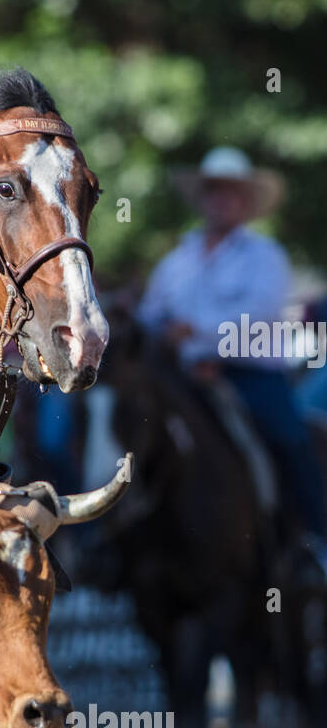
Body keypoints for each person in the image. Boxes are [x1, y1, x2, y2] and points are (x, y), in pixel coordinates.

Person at [138, 146, 327, 571]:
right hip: (180, 375)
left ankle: (315, 542)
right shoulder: (177, 259)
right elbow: (152, 313)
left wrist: (197, 336)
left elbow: (258, 317)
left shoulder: (266, 257)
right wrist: (170, 336)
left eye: (231, 193)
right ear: (203, 198)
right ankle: (125, 542)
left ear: (245, 202)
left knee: (290, 439)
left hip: (248, 374)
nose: (222, 200)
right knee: (132, 428)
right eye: (214, 192)